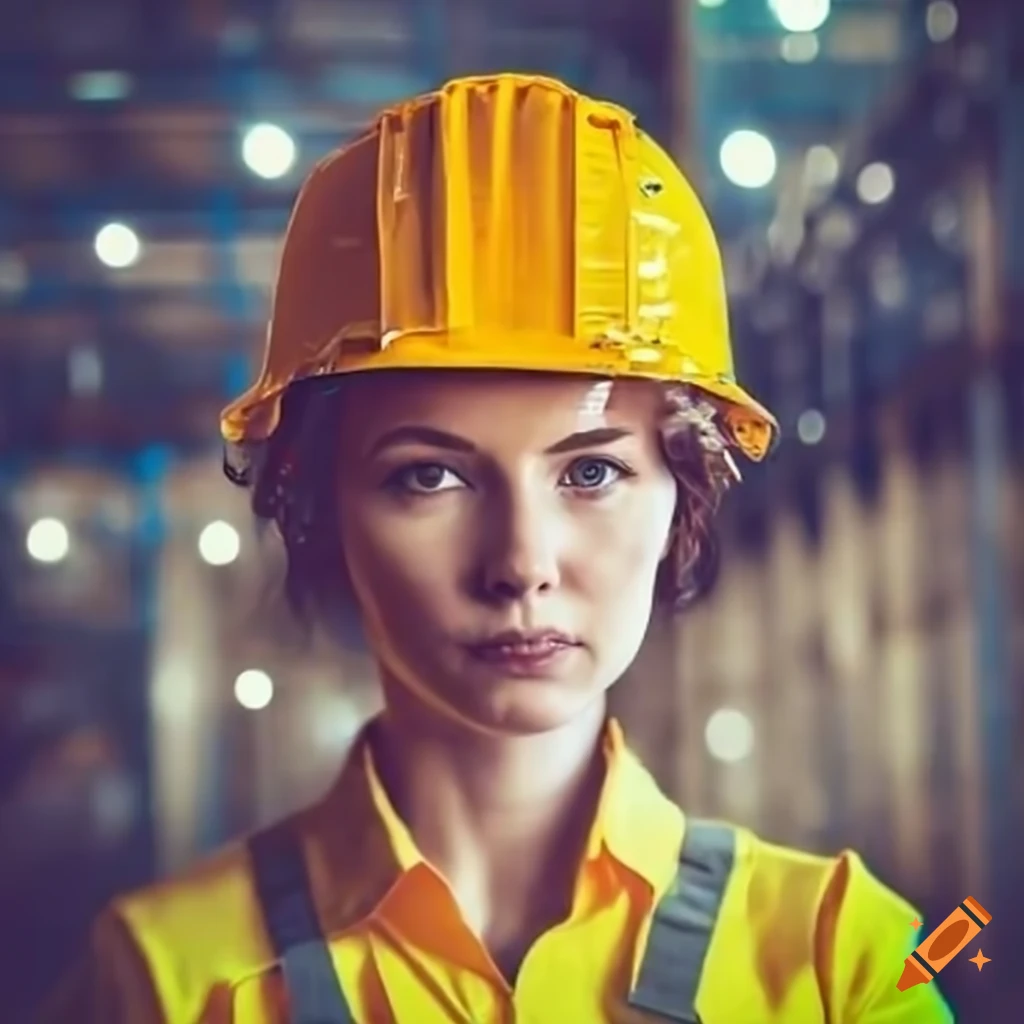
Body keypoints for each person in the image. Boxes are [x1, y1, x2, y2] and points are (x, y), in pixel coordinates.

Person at [40, 74, 954, 1023]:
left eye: (591, 473)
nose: (521, 563)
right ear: (316, 504)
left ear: (685, 486)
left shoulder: (843, 966)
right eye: (429, 476)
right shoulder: (163, 983)